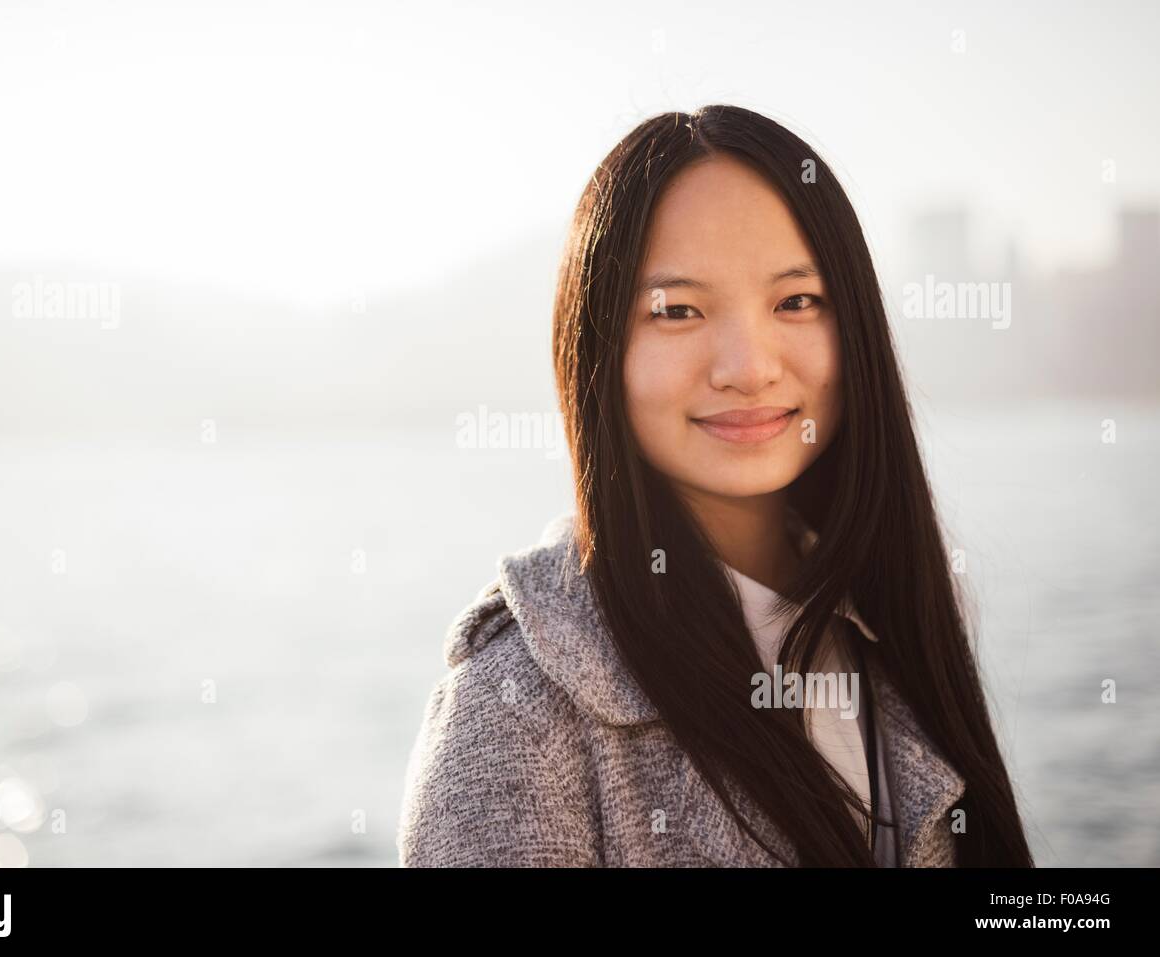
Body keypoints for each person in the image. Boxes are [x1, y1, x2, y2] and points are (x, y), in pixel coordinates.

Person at [396, 105, 1033, 867]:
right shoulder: (517, 710)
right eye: (677, 310)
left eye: (796, 301)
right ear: (600, 350)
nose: (747, 365)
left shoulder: (894, 622)